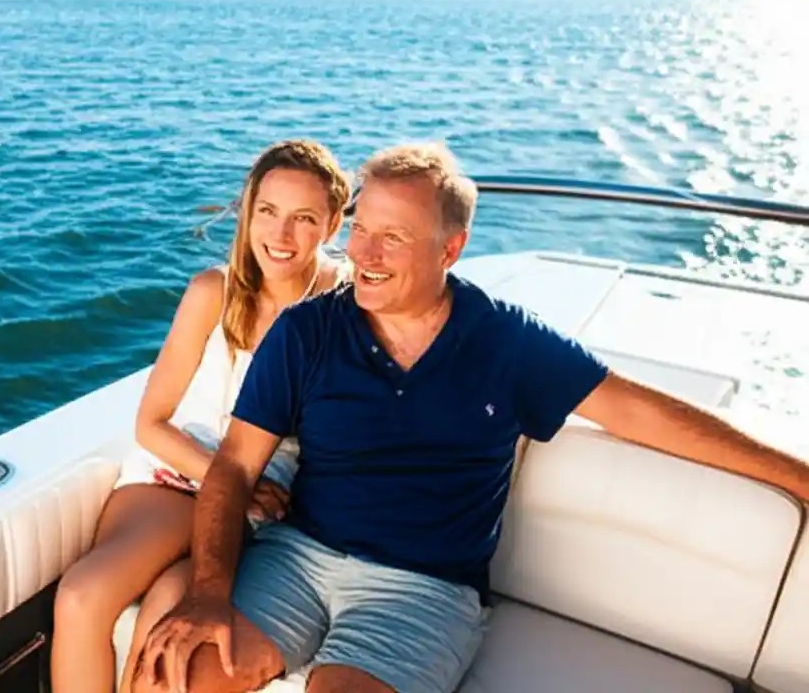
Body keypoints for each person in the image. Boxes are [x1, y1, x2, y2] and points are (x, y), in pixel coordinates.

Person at [133, 141, 809, 693]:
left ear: (449, 250)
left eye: (392, 238)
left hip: (421, 590)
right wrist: (210, 592)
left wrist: (797, 475)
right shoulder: (308, 330)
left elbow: (637, 411)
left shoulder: (507, 342)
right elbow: (232, 470)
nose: (362, 257)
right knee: (174, 675)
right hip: (295, 559)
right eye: (361, 229)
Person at [51, 140, 352, 693]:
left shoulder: (346, 303)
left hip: (260, 497)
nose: (281, 236)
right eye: (268, 212)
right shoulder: (212, 292)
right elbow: (152, 422)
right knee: (81, 596)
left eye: (303, 218)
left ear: (333, 223)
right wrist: (226, 475)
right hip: (173, 475)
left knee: (168, 614)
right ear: (247, 211)